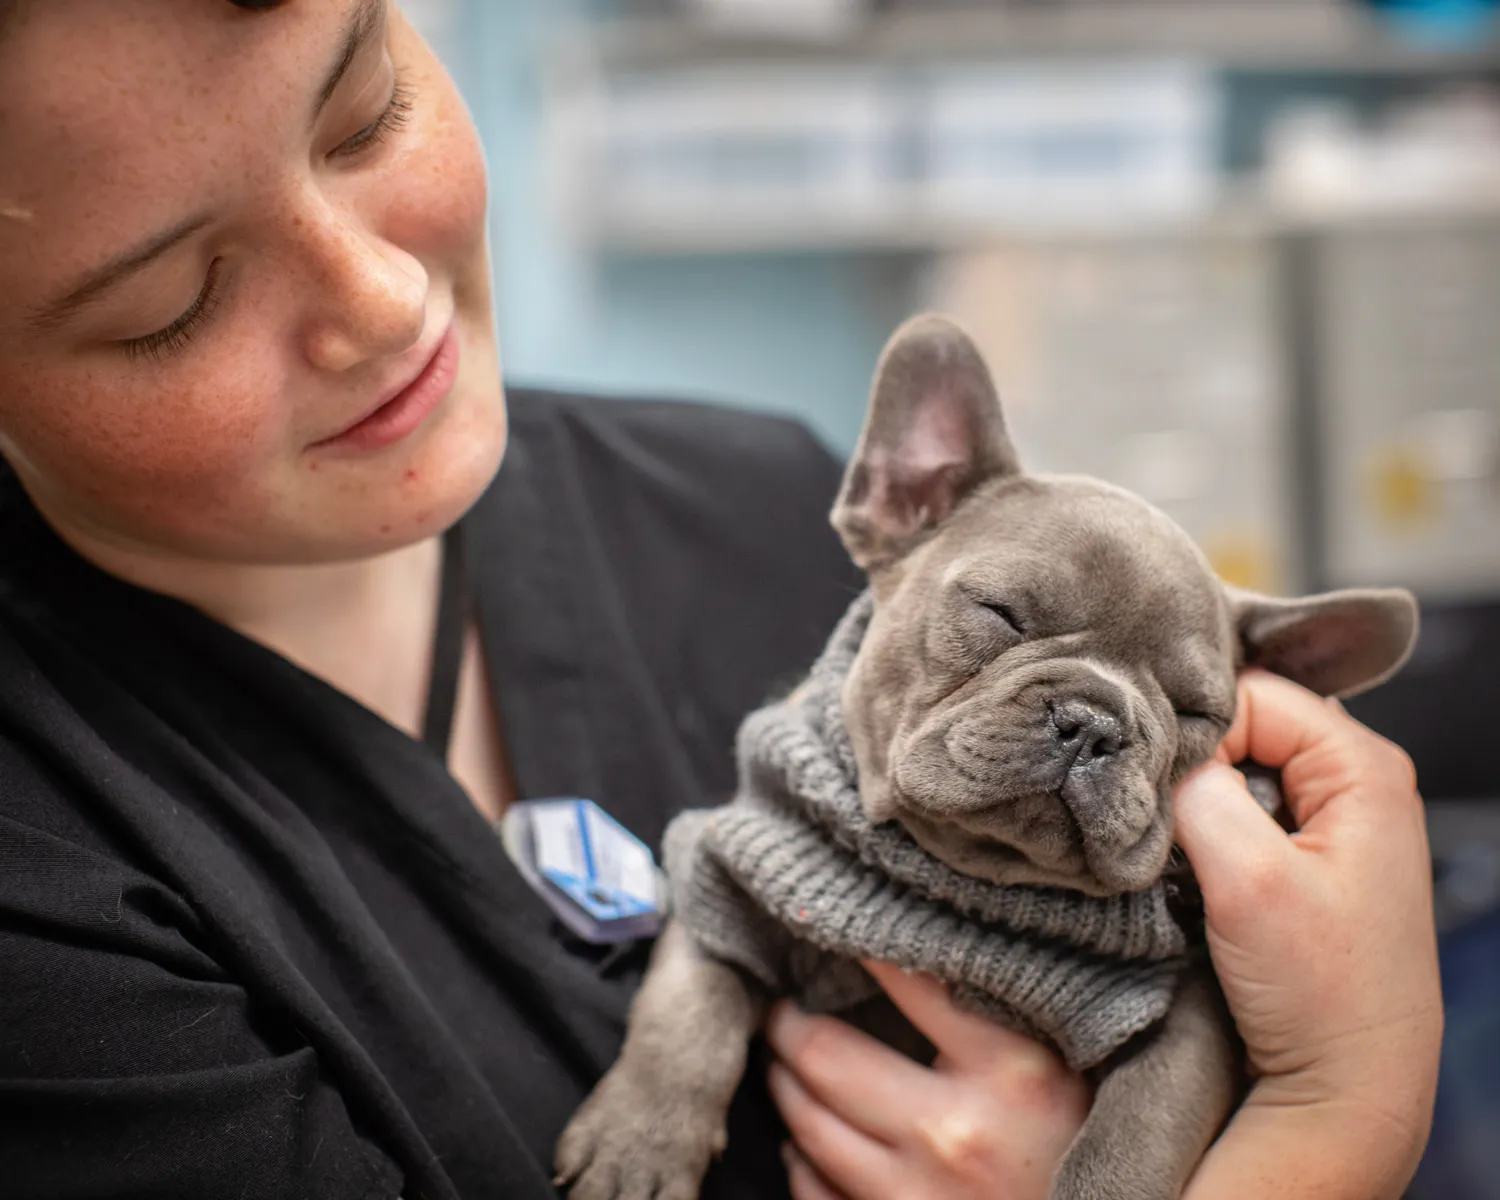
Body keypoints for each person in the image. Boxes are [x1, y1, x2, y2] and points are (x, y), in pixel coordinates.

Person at [0, 3, 1442, 1199]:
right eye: (169, 302)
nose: (379, 302)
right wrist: (1332, 1126)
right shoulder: (42, 877)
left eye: (365, 111)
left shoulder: (750, 498)